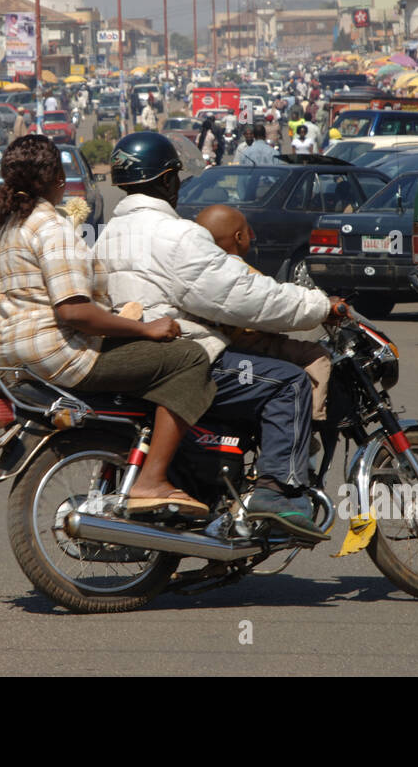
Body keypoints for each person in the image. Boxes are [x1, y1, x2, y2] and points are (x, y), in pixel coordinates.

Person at [93, 132, 342, 539]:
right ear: (169, 180)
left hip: (136, 353)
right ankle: (277, 492)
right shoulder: (176, 235)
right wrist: (319, 306)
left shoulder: (109, 233)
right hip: (186, 353)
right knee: (289, 383)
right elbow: (241, 296)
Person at [0, 135, 216, 514]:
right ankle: (152, 479)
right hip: (59, 355)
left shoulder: (10, 226)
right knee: (188, 358)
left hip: (11, 356)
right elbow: (74, 311)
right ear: (58, 178)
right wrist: (147, 329)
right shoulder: (50, 226)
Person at [195, 204, 333, 424]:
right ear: (239, 237)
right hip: (248, 345)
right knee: (316, 355)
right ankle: (311, 419)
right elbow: (274, 308)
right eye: (249, 232)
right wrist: (324, 307)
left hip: (218, 345)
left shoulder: (196, 269)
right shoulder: (242, 271)